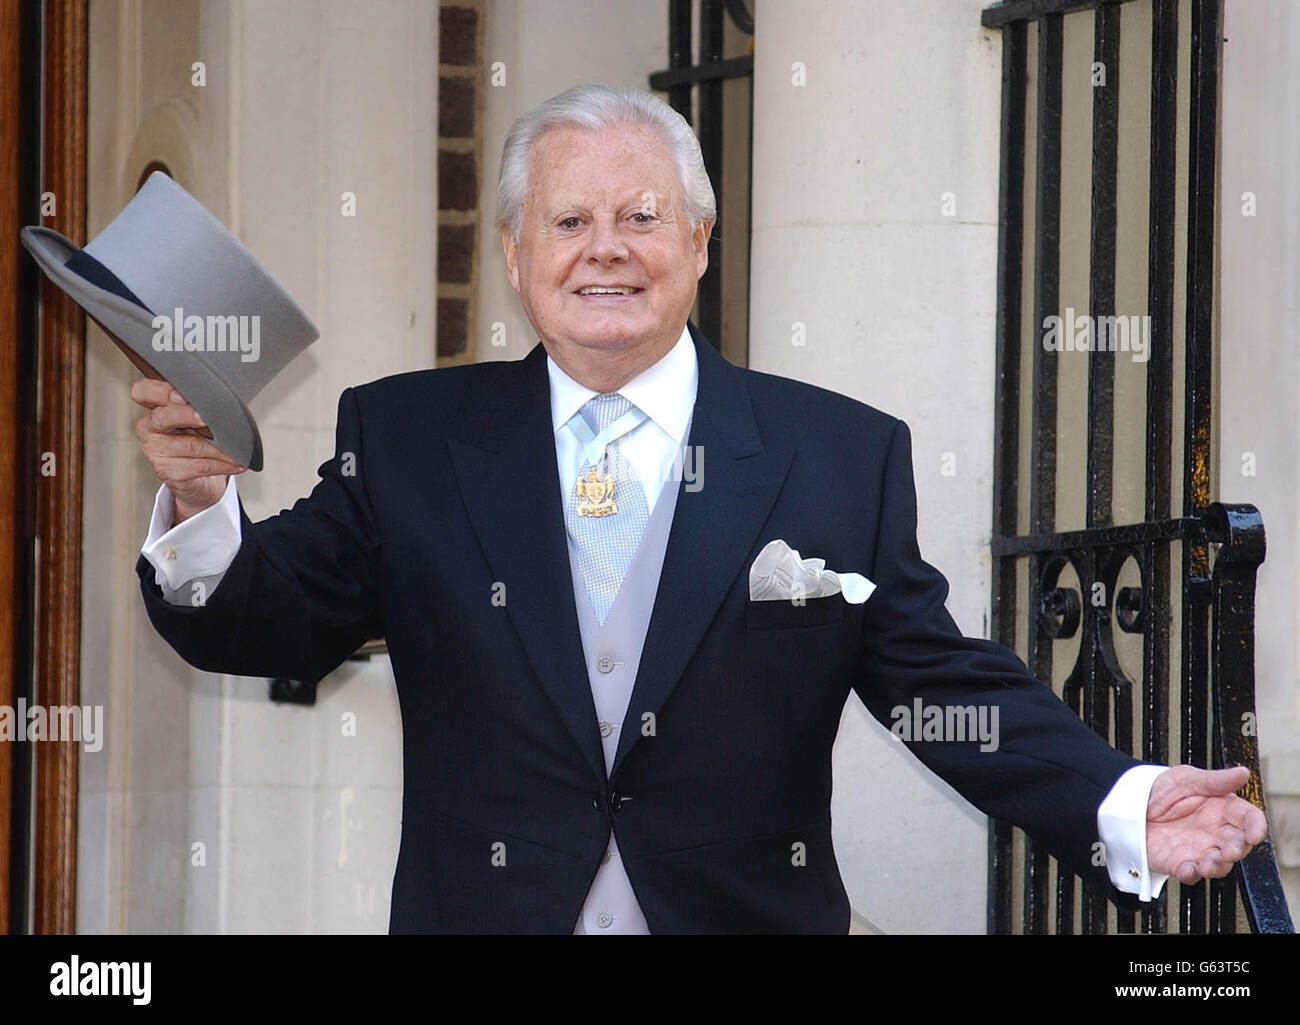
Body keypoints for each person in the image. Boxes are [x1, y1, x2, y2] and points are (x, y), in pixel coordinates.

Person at [131, 84, 1266, 933]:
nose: (606, 250)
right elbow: (269, 618)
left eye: (639, 215)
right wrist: (198, 494)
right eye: (568, 222)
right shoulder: (407, 436)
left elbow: (932, 679)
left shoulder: (839, 450)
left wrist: (1119, 795)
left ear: (698, 242)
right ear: (516, 252)